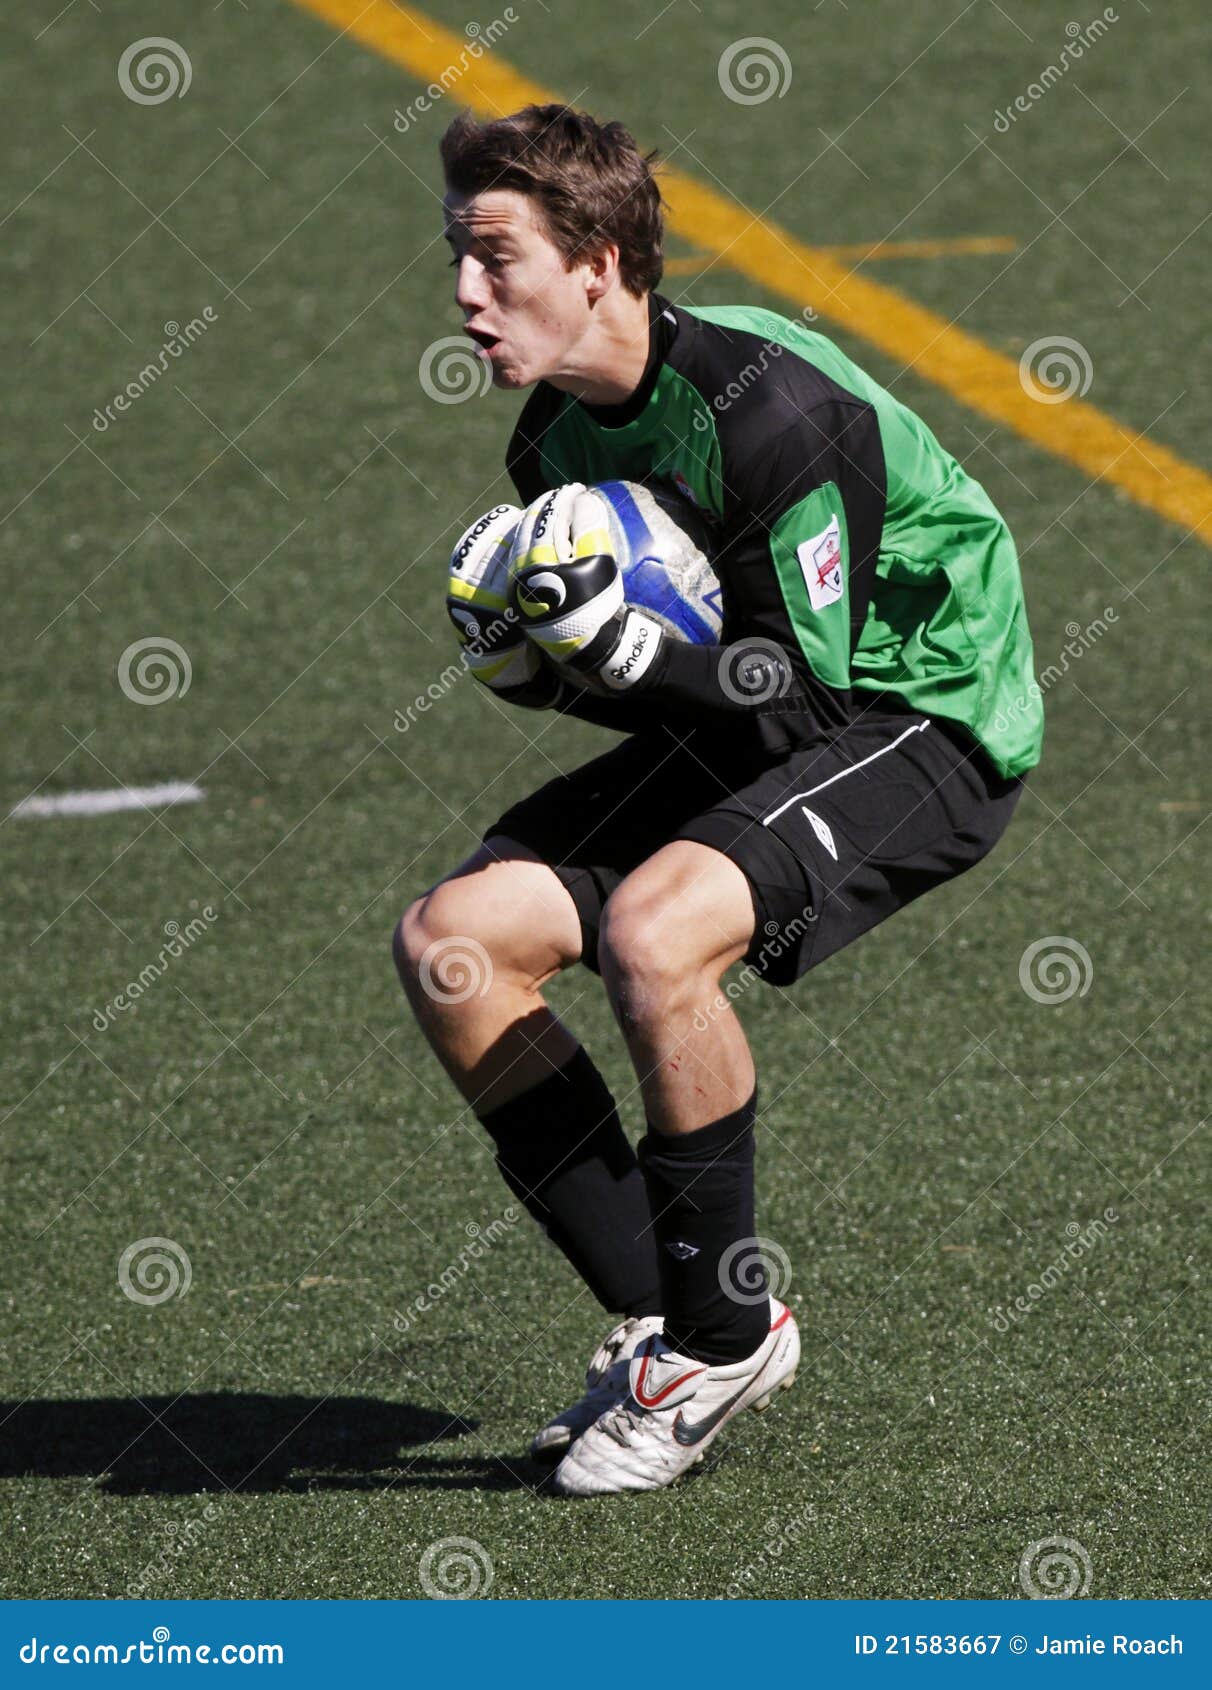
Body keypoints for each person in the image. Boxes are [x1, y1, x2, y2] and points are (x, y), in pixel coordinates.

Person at [393, 104, 1043, 1497]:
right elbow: (682, 696)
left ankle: (718, 1340)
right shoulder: (550, 446)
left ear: (603, 258)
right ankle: (675, 1318)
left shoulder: (772, 412)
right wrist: (544, 668)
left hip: (923, 708)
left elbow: (802, 703)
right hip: (768, 711)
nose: (463, 290)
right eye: (456, 254)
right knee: (457, 943)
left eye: (495, 257)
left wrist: (625, 650)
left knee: (655, 930)